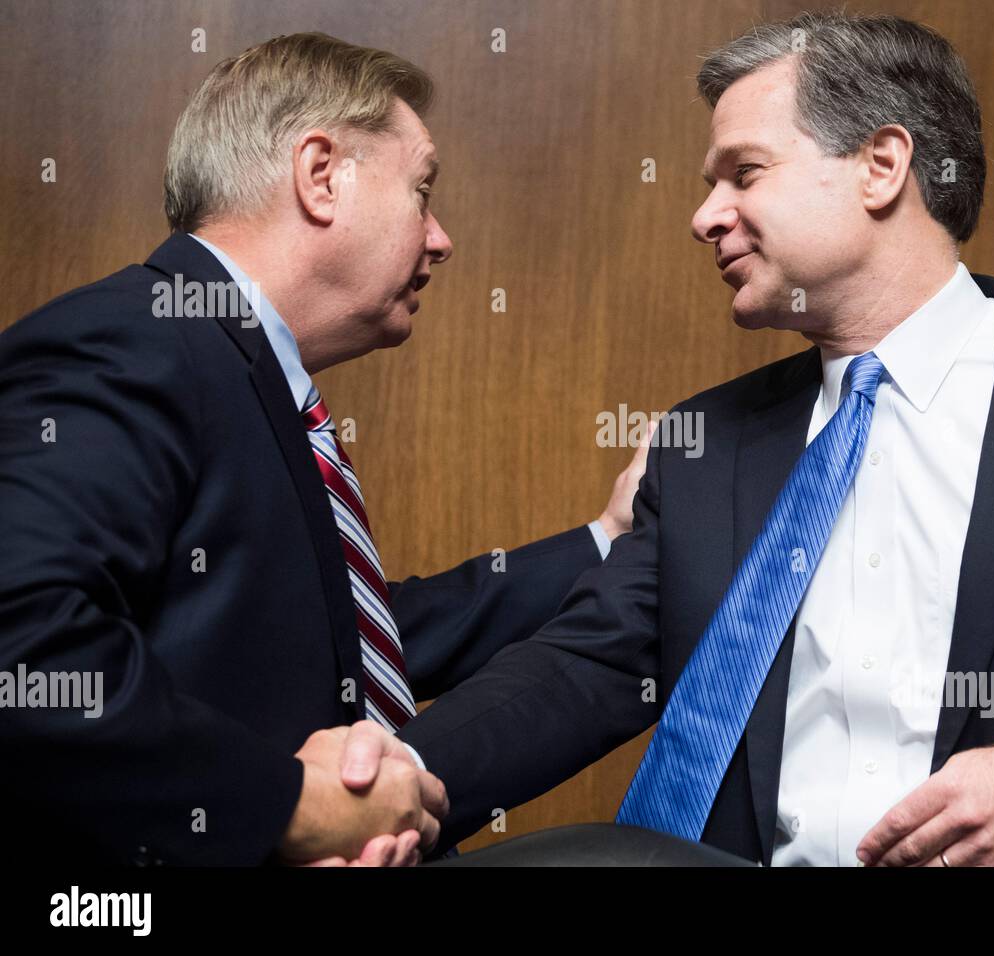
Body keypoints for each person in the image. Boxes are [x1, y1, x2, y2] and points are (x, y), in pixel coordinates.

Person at [388, 12, 994, 867]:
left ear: (882, 165)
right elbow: (582, 668)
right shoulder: (708, 441)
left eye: (743, 173)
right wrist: (375, 790)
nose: (703, 215)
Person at [0, 33, 644, 866]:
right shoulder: (129, 341)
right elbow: (24, 647)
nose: (441, 238)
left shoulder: (237, 366)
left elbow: (341, 636)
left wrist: (601, 541)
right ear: (320, 174)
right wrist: (286, 807)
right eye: (422, 190)